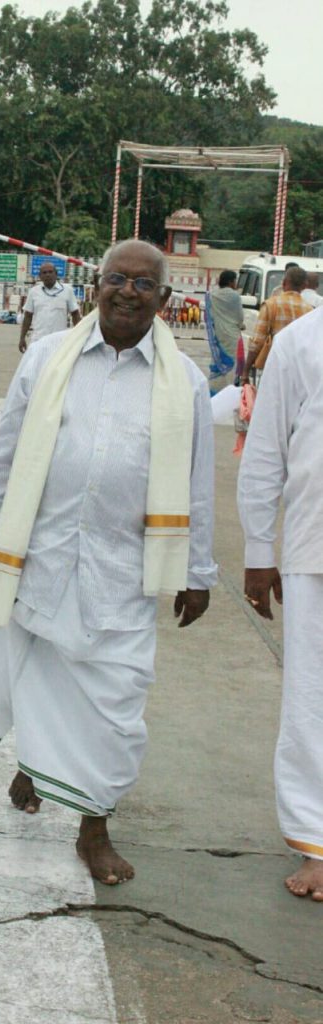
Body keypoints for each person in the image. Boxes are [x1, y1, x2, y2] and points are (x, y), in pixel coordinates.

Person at [0, 239, 216, 885]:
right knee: (36, 669)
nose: (127, 292)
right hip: (40, 554)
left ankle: (93, 828)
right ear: (94, 285)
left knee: (116, 705)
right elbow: (6, 454)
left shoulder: (186, 381)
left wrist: (198, 571)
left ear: (165, 298)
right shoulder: (46, 358)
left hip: (124, 571)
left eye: (143, 284)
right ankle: (37, 764)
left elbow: (197, 480)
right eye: (116, 279)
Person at [238, 303, 323, 901]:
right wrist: (258, 548)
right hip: (316, 549)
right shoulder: (302, 341)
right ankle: (316, 839)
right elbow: (266, 448)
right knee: (313, 698)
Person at [240, 266, 312, 383]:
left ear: (284, 283)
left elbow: (257, 342)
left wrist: (245, 372)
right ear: (304, 286)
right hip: (298, 372)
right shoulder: (309, 310)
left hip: (272, 368)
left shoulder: (271, 305)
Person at [19, 262, 81, 352]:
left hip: (59, 342)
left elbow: (75, 315)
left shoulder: (68, 291)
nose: (47, 275)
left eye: (50, 272)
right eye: (44, 273)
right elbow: (28, 316)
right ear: (40, 276)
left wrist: (79, 337)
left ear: (56, 274)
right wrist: (22, 338)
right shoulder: (34, 292)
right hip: (38, 340)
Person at [206, 270, 245, 387]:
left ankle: (215, 391)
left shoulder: (212, 296)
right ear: (230, 282)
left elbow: (210, 315)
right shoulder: (235, 296)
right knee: (232, 367)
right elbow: (240, 318)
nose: (236, 283)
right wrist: (241, 325)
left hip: (218, 335)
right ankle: (230, 392)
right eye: (235, 281)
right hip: (232, 337)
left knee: (218, 363)